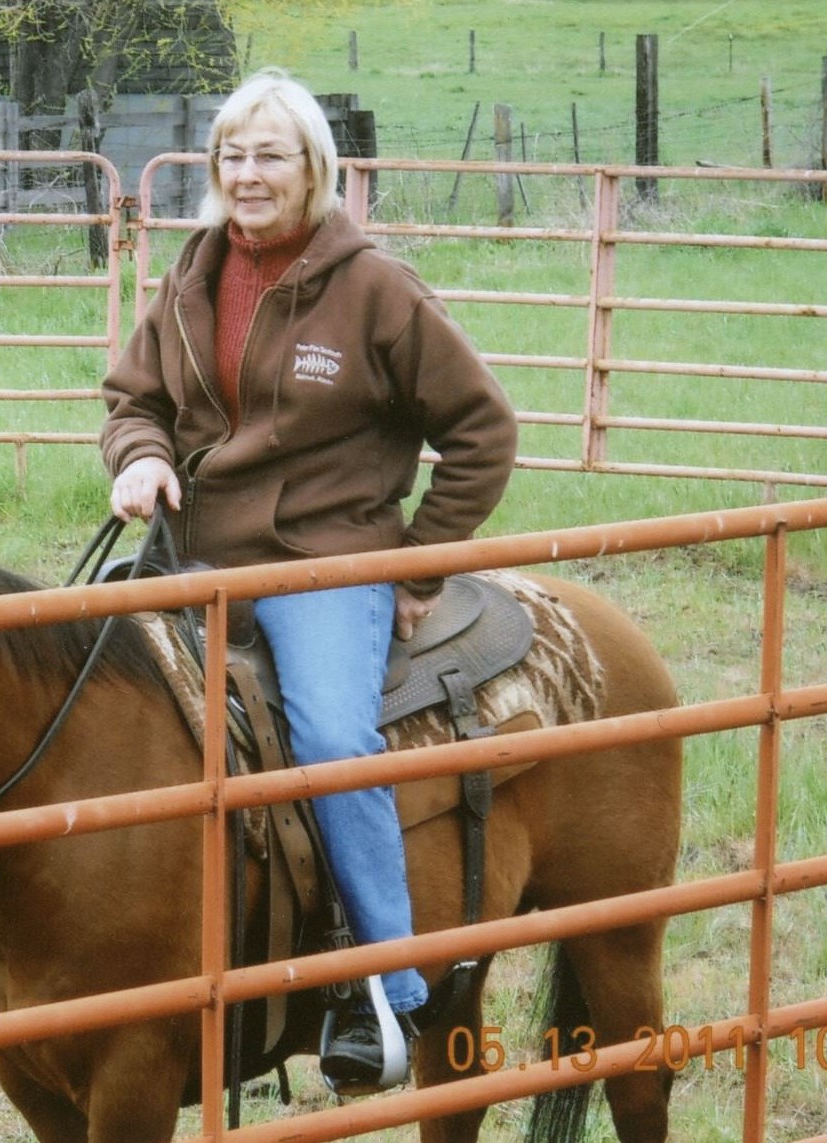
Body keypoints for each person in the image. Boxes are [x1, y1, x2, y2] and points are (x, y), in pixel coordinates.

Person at [100, 67, 518, 1095]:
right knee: (86, 705)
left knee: (329, 737)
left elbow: (481, 430)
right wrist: (139, 456)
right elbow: (132, 396)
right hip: (189, 558)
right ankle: (82, 957)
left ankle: (382, 985)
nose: (247, 176)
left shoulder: (374, 286)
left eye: (269, 155)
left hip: (321, 565)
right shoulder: (191, 274)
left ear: (314, 170)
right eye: (231, 156)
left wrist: (417, 557)